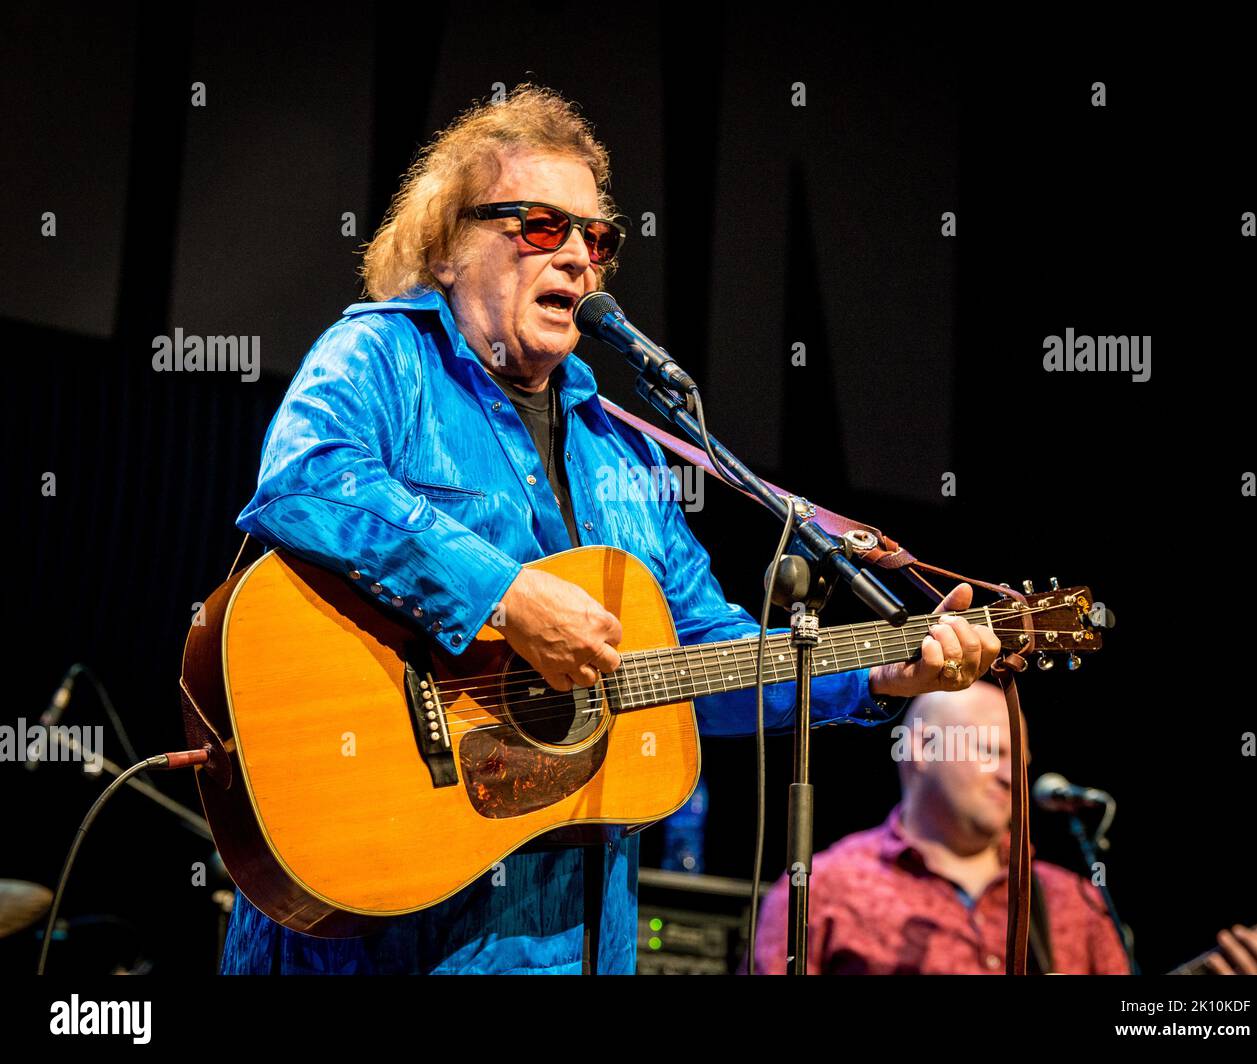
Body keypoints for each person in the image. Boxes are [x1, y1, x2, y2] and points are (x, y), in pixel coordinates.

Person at [218, 84, 1001, 975]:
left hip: (577, 941)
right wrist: (504, 597)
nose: (581, 261)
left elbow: (706, 655)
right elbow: (305, 478)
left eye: (598, 240)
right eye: (542, 227)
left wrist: (879, 673)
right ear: (444, 246)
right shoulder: (383, 356)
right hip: (382, 925)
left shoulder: (621, 454)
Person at [750, 681, 1257, 975]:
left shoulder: (1072, 901)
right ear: (918, 749)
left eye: (1021, 757)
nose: (1012, 774)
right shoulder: (824, 890)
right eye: (991, 751)